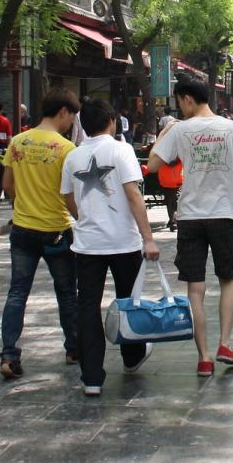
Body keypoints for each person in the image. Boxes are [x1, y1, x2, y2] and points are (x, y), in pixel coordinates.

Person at [148, 76, 233, 376]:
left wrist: (164, 131)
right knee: (227, 278)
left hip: (191, 217)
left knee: (195, 287)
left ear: (187, 98)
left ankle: (204, 357)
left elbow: (152, 165)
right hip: (224, 215)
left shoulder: (180, 130)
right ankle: (225, 344)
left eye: (180, 102)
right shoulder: (232, 128)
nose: (180, 108)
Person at [61, 99, 159, 395]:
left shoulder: (73, 156)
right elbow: (133, 194)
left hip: (87, 244)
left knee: (87, 306)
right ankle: (132, 356)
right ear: (112, 121)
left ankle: (91, 377)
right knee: (128, 300)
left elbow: (67, 197)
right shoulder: (121, 150)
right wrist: (148, 238)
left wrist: (84, 218)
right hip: (123, 242)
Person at [0, 87, 81, 378]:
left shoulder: (18, 141)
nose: (71, 122)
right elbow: (69, 196)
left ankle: (9, 355)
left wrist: (24, 203)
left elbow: (7, 185)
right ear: (63, 112)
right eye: (71, 116)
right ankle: (73, 348)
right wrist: (81, 219)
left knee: (17, 293)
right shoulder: (66, 149)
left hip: (22, 229)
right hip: (56, 230)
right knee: (67, 293)